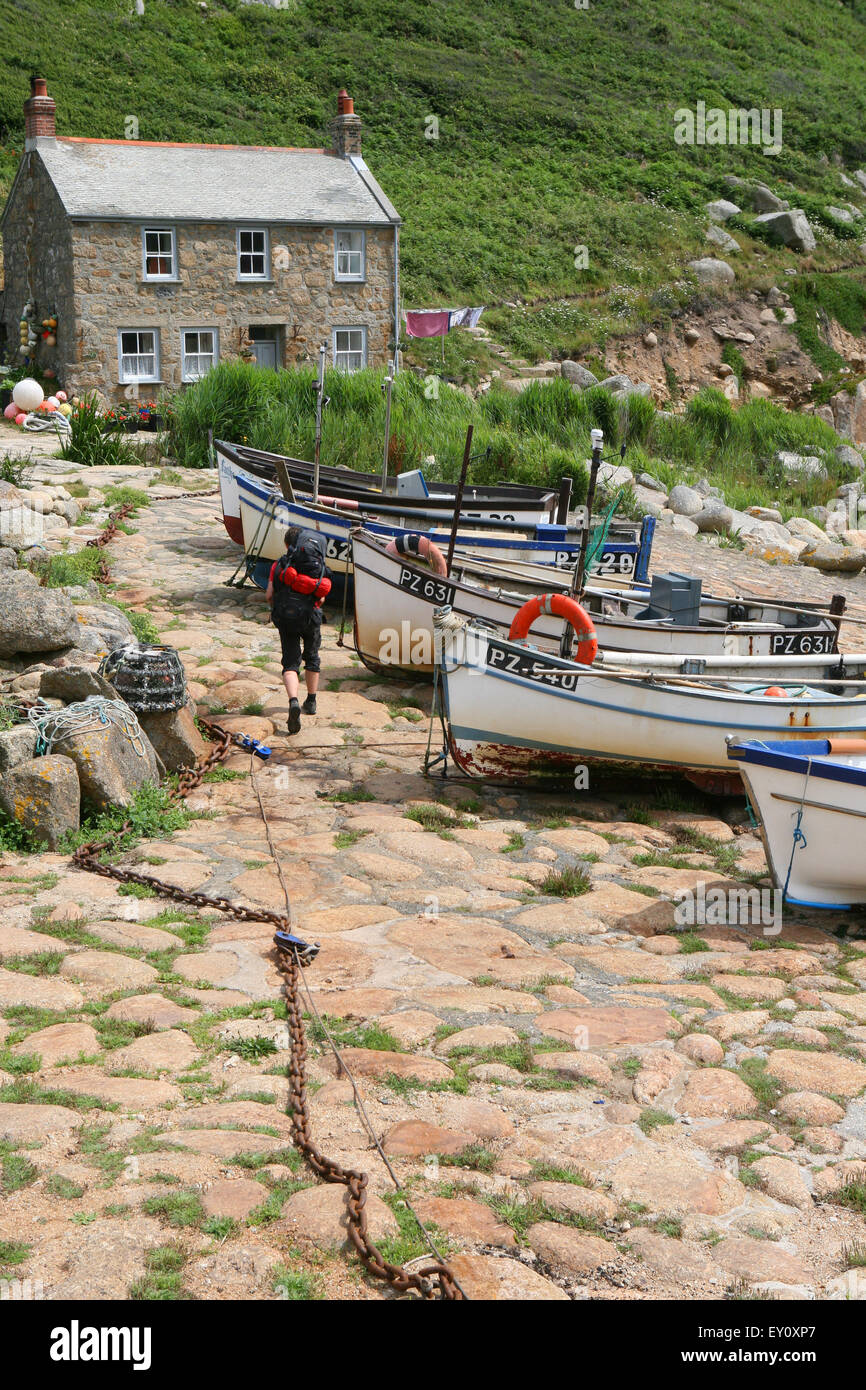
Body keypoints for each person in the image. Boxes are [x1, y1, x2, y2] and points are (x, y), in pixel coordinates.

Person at [266, 526, 331, 734]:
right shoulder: (317, 567)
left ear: (287, 545)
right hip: (310, 617)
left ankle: (293, 701)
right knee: (312, 657)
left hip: (286, 617)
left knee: (290, 662)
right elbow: (321, 598)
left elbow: (269, 594)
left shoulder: (279, 565)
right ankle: (311, 701)